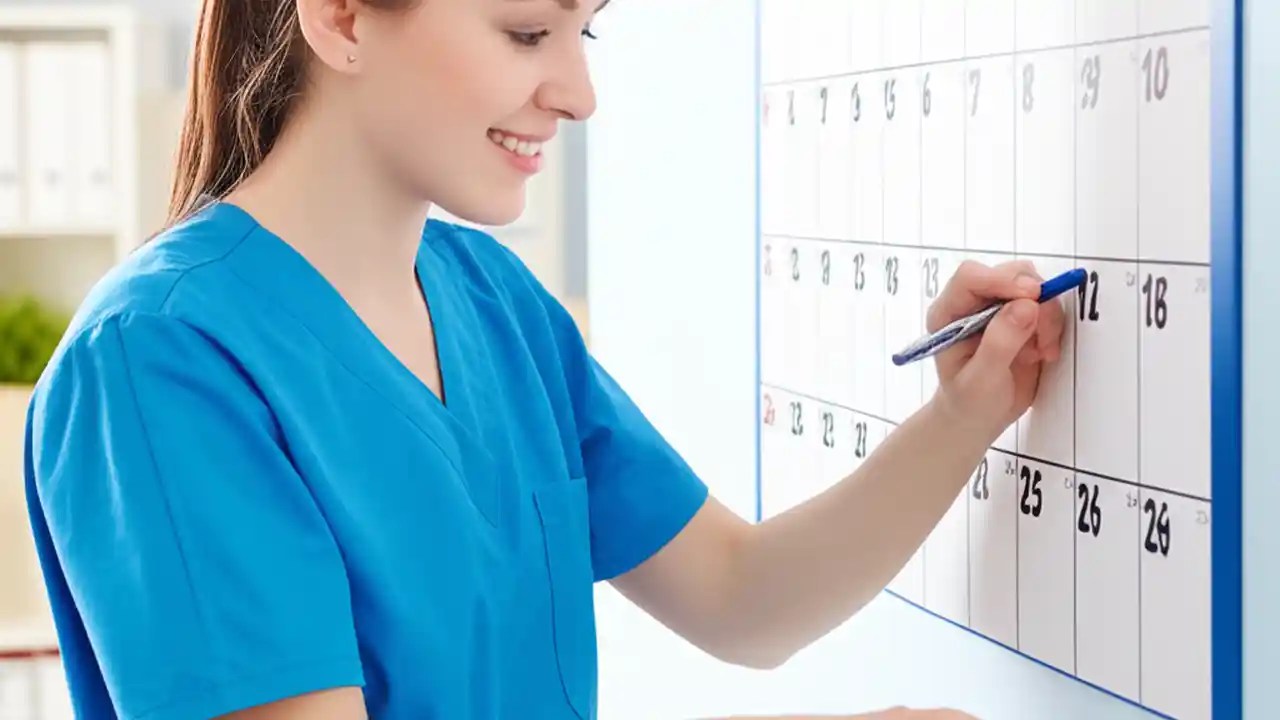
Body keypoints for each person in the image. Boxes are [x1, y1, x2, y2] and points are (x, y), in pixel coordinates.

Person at [21, 0, 1066, 718]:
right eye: (526, 32)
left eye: (584, 31)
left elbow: (746, 600)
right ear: (340, 16)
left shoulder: (495, 304)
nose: (577, 91)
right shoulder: (159, 366)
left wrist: (963, 413)